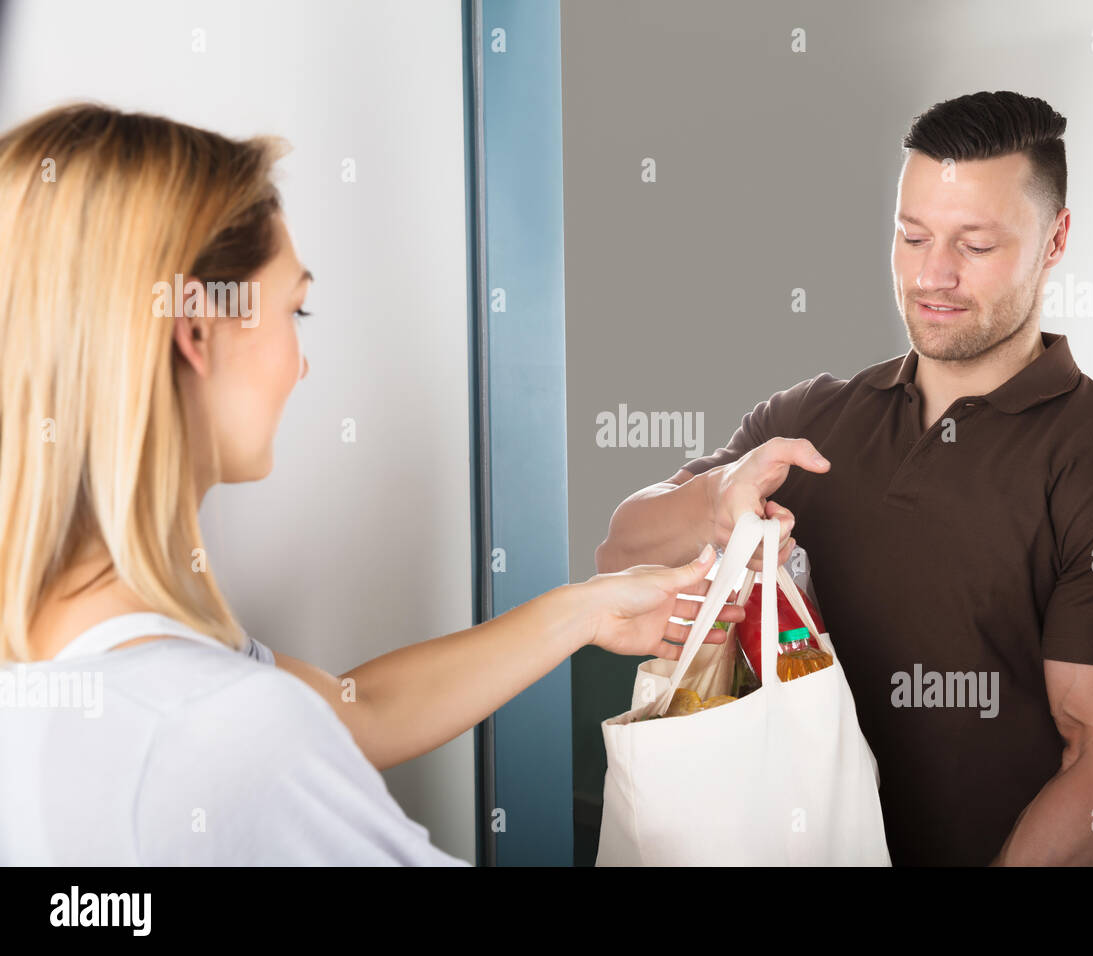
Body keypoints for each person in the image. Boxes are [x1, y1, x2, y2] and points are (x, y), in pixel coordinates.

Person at [0, 103, 740, 865]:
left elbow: (360, 712)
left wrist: (581, 613)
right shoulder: (221, 731)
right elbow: (275, 733)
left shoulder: (76, 665)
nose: (303, 362)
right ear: (195, 331)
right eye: (296, 308)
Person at [596, 91, 1093, 866]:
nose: (933, 274)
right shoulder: (808, 420)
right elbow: (618, 556)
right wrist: (716, 503)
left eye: (975, 246)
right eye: (912, 236)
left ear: (1056, 240)